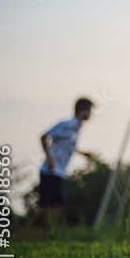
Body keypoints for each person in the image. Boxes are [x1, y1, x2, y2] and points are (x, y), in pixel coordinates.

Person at [32, 97, 96, 227]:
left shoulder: (76, 128)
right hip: (51, 170)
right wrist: (49, 157)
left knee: (51, 206)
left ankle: (35, 232)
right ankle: (33, 232)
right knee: (54, 205)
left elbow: (68, 146)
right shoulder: (66, 125)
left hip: (59, 171)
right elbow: (44, 136)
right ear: (83, 111)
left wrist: (83, 153)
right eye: (90, 110)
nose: (91, 114)